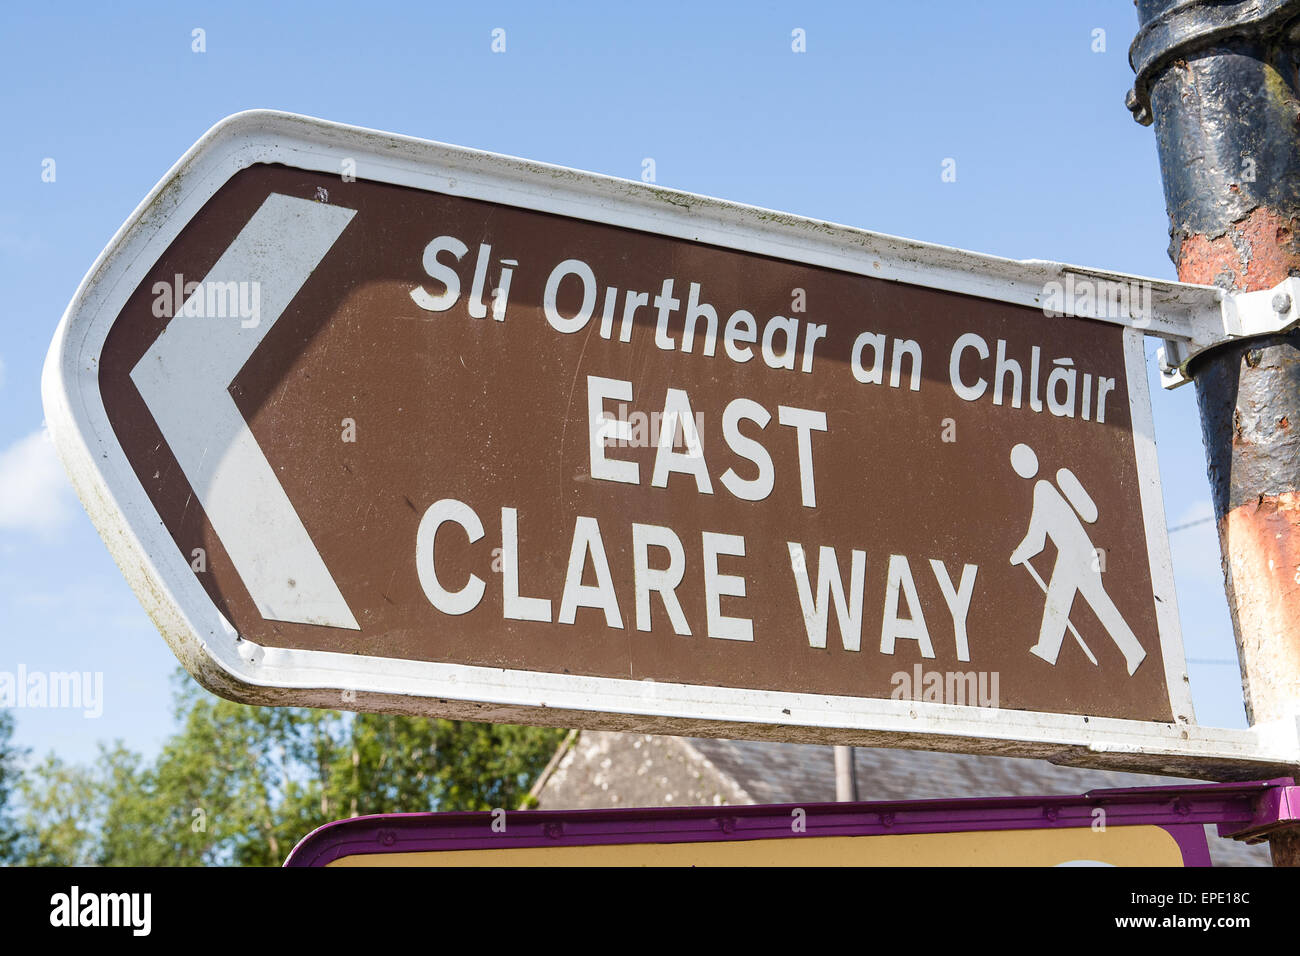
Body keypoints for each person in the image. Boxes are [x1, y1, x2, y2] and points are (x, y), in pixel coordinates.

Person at [1008, 443, 1146, 676]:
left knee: (1090, 601)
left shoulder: (1042, 489)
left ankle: (1133, 651)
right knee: (1061, 598)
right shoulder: (1049, 485)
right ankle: (1049, 649)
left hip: (1076, 555)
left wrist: (1016, 556)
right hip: (1082, 553)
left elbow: (1036, 540)